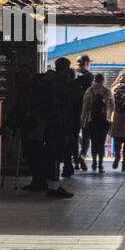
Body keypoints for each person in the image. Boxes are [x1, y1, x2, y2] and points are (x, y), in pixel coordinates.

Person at [37, 57, 77, 198]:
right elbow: (64, 105)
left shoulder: (48, 82)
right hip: (58, 124)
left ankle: (51, 185)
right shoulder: (59, 85)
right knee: (55, 155)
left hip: (49, 123)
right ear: (66, 69)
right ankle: (54, 188)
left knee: (51, 155)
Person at [79, 72, 112, 172]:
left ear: (94, 80)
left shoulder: (89, 91)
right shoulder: (107, 91)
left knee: (93, 142)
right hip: (104, 120)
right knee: (101, 142)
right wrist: (109, 117)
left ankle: (94, 163)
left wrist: (83, 120)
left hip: (91, 120)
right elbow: (112, 106)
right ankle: (101, 165)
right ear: (103, 80)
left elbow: (85, 107)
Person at [73, 55, 94, 169]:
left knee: (74, 135)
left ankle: (75, 159)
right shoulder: (89, 76)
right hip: (86, 110)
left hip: (73, 109)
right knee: (86, 135)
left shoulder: (72, 75)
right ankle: (82, 156)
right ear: (86, 63)